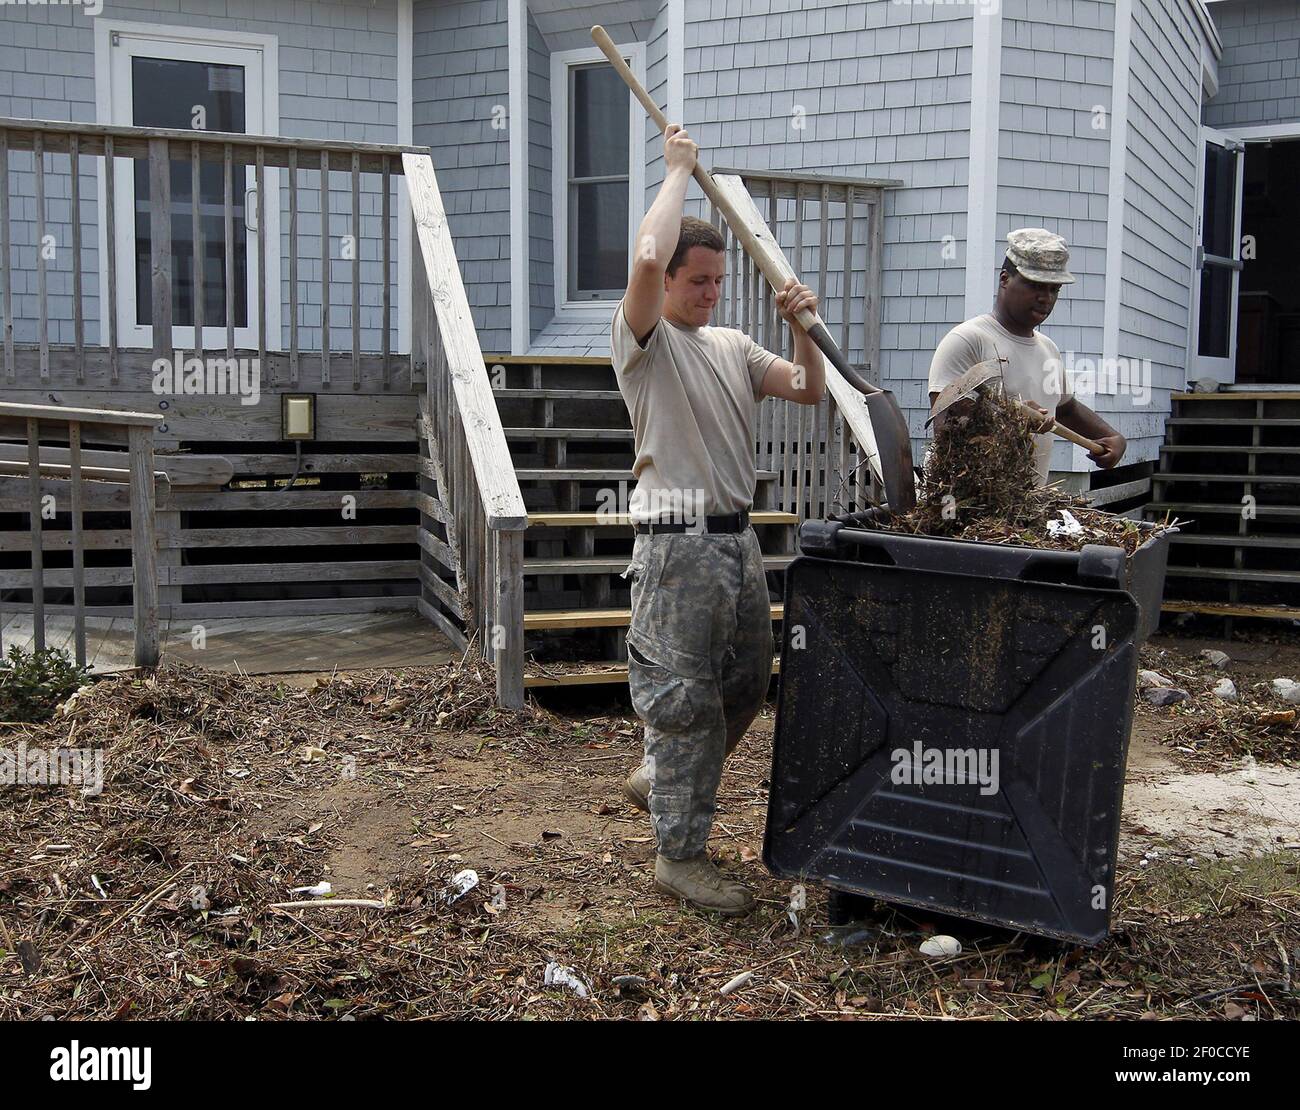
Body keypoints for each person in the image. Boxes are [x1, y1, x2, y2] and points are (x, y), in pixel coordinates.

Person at [611, 123, 824, 916]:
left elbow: (808, 389)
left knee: (743, 686)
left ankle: (662, 777)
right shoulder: (644, 343)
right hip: (674, 548)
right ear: (667, 283)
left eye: (716, 281)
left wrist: (801, 322)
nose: (709, 292)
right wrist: (675, 172)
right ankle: (680, 855)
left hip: (738, 542)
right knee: (681, 701)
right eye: (695, 280)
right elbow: (640, 257)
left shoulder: (732, 345)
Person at [928, 228, 1126, 480]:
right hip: (971, 506)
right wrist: (1010, 419)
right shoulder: (968, 341)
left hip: (1026, 508)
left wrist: (1111, 437)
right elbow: (946, 428)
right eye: (1035, 285)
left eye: (1054, 289)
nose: (1046, 298)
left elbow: (1065, 410)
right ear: (1004, 279)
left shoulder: (1048, 349)